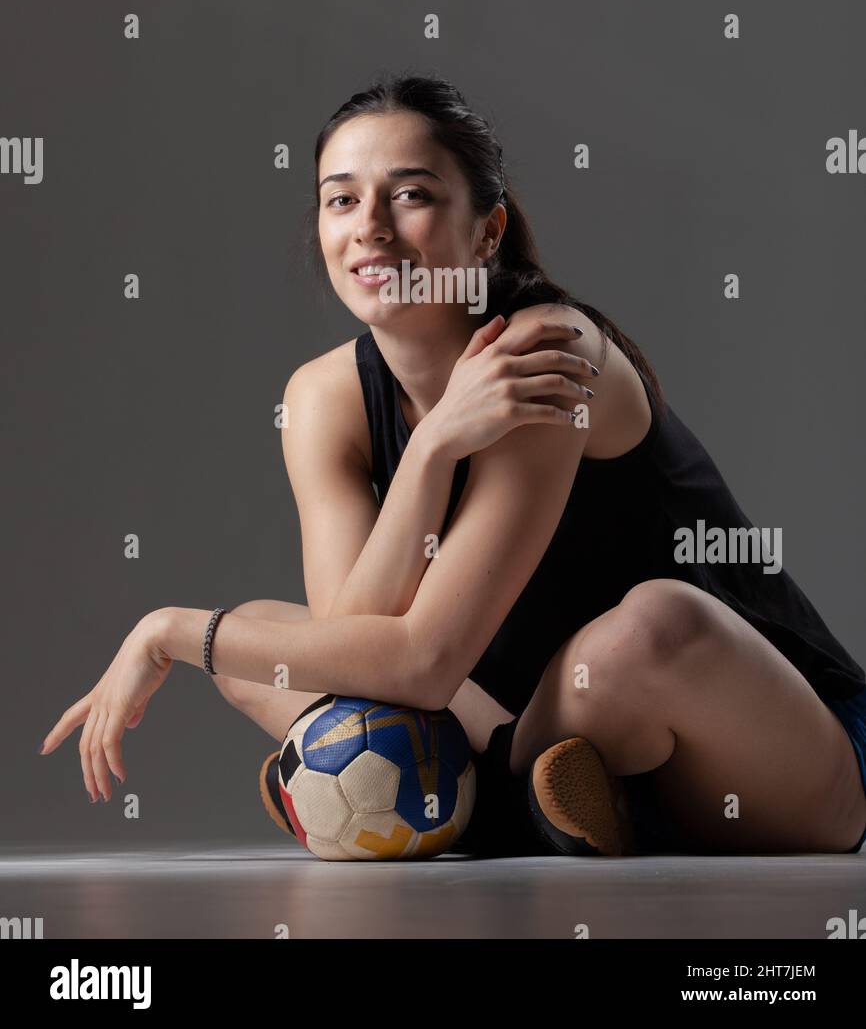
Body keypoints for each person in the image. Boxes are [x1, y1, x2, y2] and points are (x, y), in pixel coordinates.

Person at [40, 73, 866, 860]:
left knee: (646, 631)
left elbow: (425, 666)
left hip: (783, 758)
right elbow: (349, 641)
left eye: (410, 194)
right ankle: (527, 804)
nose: (369, 227)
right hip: (550, 743)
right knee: (273, 636)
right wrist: (433, 451)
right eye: (341, 199)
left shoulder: (545, 352)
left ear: (488, 231)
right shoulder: (324, 395)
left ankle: (436, 801)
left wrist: (170, 633)